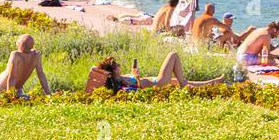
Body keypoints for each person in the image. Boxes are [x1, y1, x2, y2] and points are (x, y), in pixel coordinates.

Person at [95, 54, 224, 93]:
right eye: (116, 65)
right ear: (113, 70)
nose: (119, 65)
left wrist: (134, 74)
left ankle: (212, 83)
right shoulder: (121, 82)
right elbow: (137, 89)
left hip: (156, 80)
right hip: (158, 83)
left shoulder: (120, 78)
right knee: (173, 55)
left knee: (180, 82)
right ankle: (184, 84)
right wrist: (136, 76)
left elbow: (95, 70)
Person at [0, 34, 50, 100]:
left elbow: (12, 77)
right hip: (17, 90)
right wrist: (48, 94)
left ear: (19, 44)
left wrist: (9, 98)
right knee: (23, 98)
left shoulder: (15, 55)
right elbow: (41, 75)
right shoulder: (36, 55)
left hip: (0, 89)